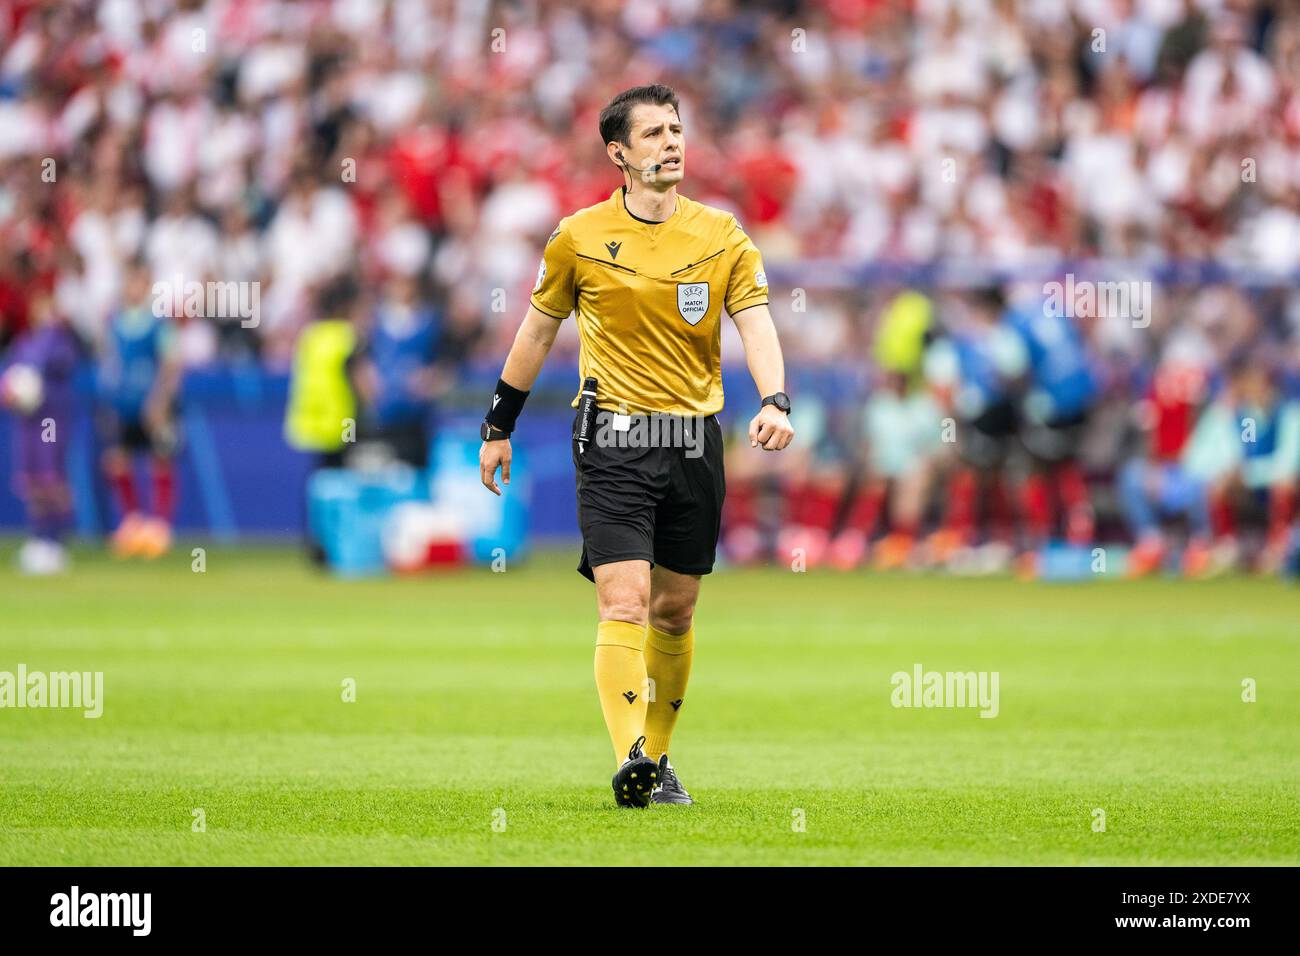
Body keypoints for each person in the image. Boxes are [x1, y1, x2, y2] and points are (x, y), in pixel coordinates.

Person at [477, 85, 794, 808]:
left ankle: (661, 756)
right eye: (653, 133)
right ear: (618, 153)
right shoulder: (578, 237)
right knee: (624, 601)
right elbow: (535, 331)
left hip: (693, 443)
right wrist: (500, 425)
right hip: (613, 439)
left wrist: (775, 398)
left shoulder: (722, 235)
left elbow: (756, 322)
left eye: (677, 129)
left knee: (675, 611)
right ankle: (633, 757)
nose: (672, 142)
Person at [97, 262, 182, 559]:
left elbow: (172, 365)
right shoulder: (115, 323)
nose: (134, 289)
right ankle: (132, 522)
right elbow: (110, 365)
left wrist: (160, 402)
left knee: (160, 459)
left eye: (140, 283)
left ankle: (159, 528)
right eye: (130, 282)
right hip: (125, 404)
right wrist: (108, 403)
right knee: (117, 460)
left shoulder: (160, 324)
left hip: (152, 405)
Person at [2, 293, 80, 574]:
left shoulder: (60, 342)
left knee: (52, 478)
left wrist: (35, 382)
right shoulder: (23, 343)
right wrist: (11, 393)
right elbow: (9, 380)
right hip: (27, 423)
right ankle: (38, 541)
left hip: (51, 421)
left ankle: (56, 542)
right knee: (32, 481)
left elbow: (63, 366)